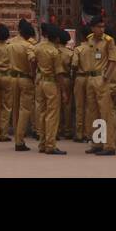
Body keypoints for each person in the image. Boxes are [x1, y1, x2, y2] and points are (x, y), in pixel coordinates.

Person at [78, 15, 116, 156]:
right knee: (93, 112)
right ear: (92, 28)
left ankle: (109, 145)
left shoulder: (108, 41)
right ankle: (97, 143)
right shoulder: (90, 39)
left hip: (101, 78)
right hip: (90, 77)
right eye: (99, 27)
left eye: (103, 26)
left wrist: (106, 76)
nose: (102, 29)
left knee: (105, 112)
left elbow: (113, 60)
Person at [35, 24, 66, 155]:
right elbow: (59, 73)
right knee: (52, 115)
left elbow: (33, 63)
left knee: (42, 113)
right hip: (51, 83)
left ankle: (42, 143)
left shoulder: (38, 47)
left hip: (41, 81)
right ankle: (50, 145)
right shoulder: (55, 52)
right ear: (57, 38)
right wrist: (63, 91)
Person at [7, 19, 37, 151]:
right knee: (25, 110)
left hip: (12, 77)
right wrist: (33, 73)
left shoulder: (10, 43)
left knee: (15, 109)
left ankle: (17, 138)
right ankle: (19, 140)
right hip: (25, 78)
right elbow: (32, 60)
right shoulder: (29, 46)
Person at [73, 28, 91, 141]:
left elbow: (74, 64)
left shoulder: (78, 49)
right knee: (90, 107)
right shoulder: (94, 48)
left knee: (79, 106)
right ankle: (88, 133)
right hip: (91, 78)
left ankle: (79, 133)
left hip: (80, 77)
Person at [56, 28, 75, 140]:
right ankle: (67, 130)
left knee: (55, 105)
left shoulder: (54, 51)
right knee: (67, 105)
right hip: (66, 78)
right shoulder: (70, 53)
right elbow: (74, 67)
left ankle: (56, 129)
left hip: (55, 79)